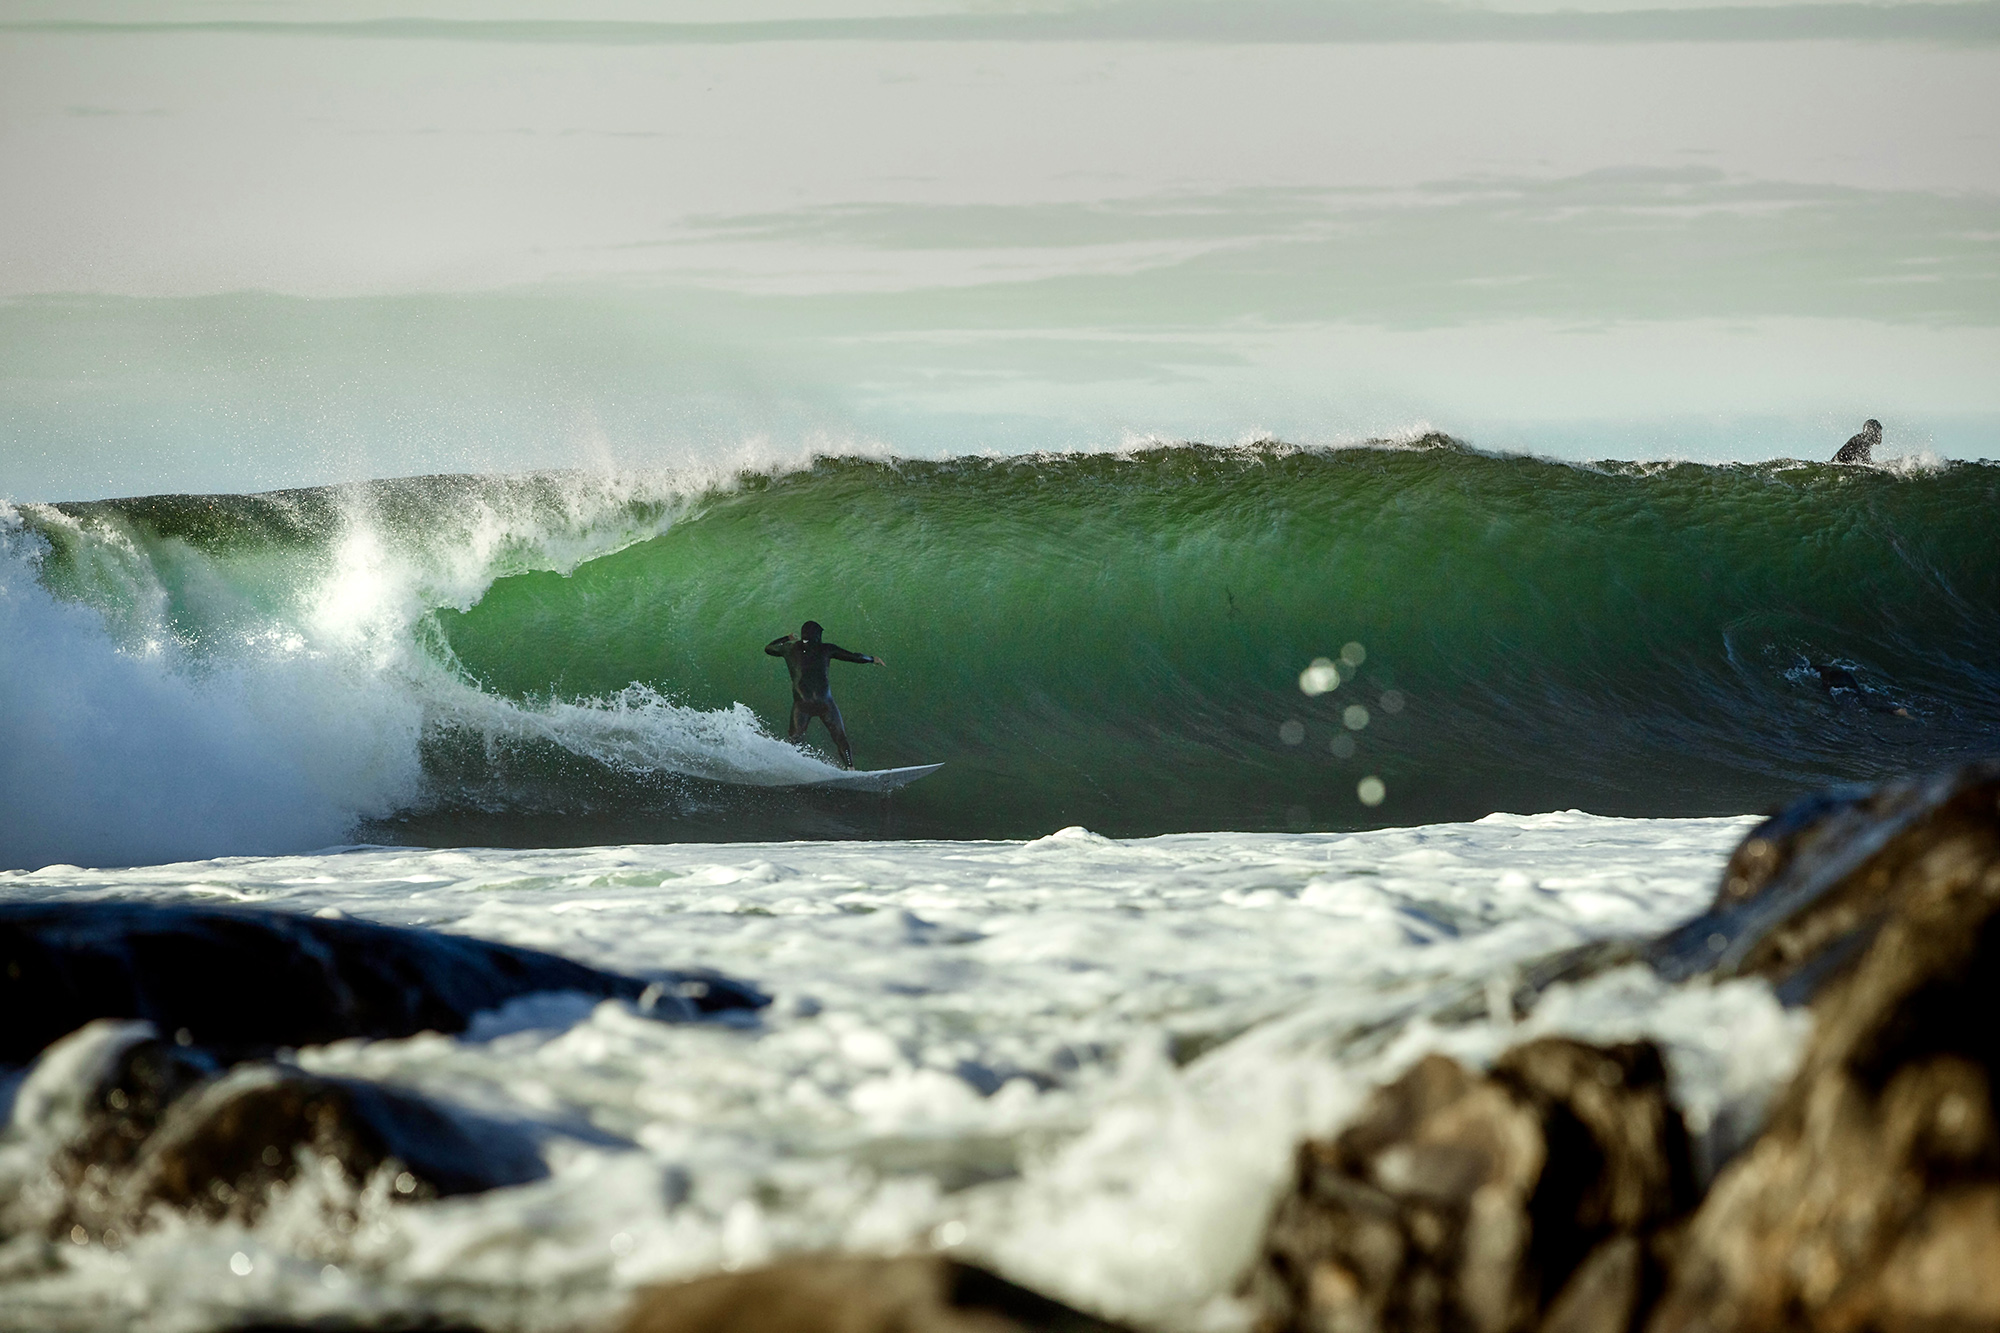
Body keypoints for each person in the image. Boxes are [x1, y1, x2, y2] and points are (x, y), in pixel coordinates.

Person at [764, 621, 883, 769]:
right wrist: (872, 659)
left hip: (802, 704)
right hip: (825, 703)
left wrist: (787, 638)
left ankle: (791, 770)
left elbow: (769, 648)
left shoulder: (789, 648)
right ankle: (850, 768)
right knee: (840, 737)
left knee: (794, 741)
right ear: (817, 635)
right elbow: (854, 657)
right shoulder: (826, 648)